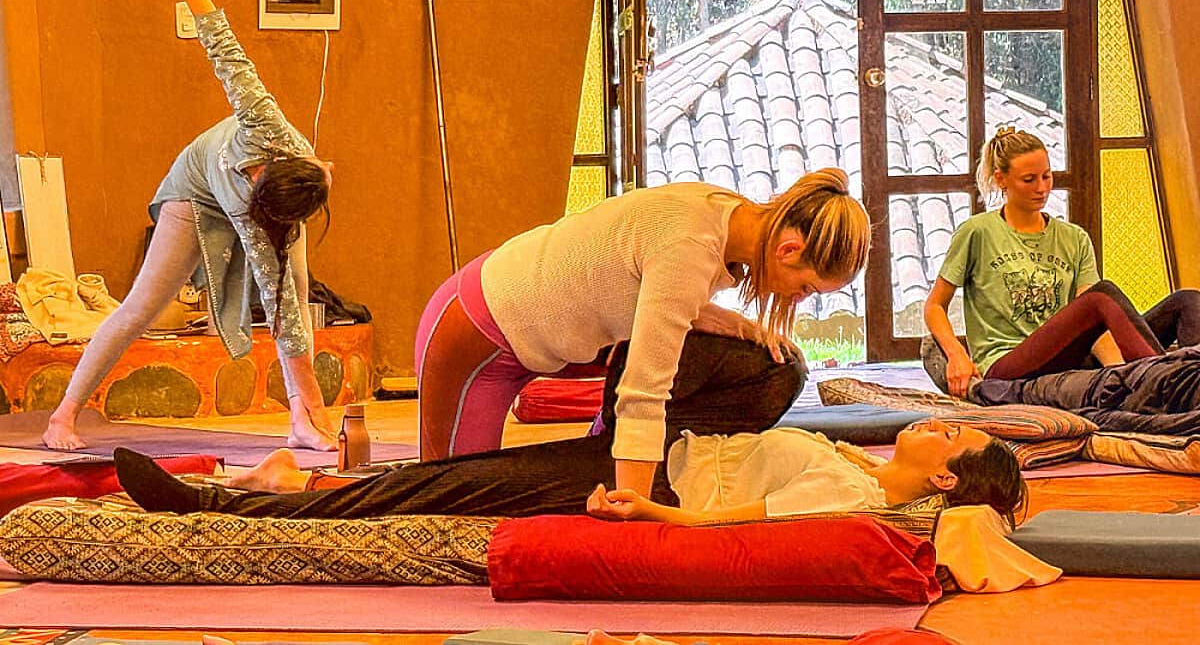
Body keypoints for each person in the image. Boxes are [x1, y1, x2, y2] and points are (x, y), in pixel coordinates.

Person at [112, 331, 1026, 524]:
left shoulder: (850, 496)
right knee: (778, 365)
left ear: (946, 478)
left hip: (648, 482)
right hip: (654, 449)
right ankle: (284, 487)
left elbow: (728, 530)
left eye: (951, 438)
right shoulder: (852, 469)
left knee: (440, 489)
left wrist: (642, 511)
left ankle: (221, 507)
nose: (935, 427)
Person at [41, 0, 336, 451]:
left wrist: (317, 412)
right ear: (269, 171)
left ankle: (302, 419)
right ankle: (64, 414)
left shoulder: (281, 198)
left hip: (270, 202)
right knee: (141, 306)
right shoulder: (259, 120)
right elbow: (219, 39)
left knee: (296, 291)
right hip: (194, 192)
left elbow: (283, 309)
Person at [418, 167, 872, 501]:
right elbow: (643, 391)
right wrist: (634, 505)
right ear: (789, 250)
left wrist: (741, 328)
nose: (799, 300)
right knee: (443, 501)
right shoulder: (690, 246)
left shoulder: (733, 218)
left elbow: (670, 301)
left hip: (555, 338)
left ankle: (602, 446)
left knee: (771, 363)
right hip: (477, 336)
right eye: (806, 288)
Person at [924, 126, 1200, 397]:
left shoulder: (1074, 238)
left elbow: (1095, 325)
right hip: (1007, 364)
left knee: (1187, 300)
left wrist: (1119, 372)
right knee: (1102, 294)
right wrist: (957, 354)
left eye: (1046, 176)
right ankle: (1170, 385)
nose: (1042, 188)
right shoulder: (977, 232)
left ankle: (1183, 381)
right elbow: (934, 306)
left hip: (1071, 358)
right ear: (1001, 179)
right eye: (1029, 180)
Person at [972, 346, 1200, 435]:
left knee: (1024, 393)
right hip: (1135, 371)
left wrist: (1085, 416)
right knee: (1187, 299)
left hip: (1111, 393)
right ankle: (975, 388)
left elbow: (1147, 425)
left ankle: (973, 390)